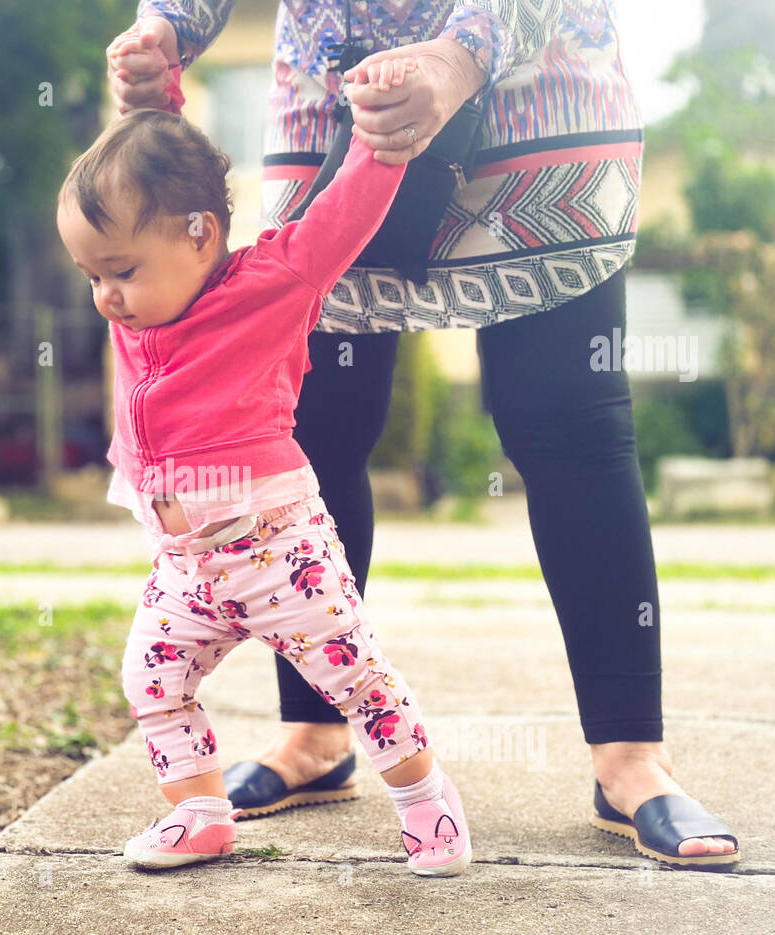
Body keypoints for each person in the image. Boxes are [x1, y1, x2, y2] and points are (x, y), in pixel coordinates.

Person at [105, 1, 740, 869]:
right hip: (337, 113)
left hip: (534, 100)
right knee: (312, 430)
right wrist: (169, 29)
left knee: (570, 427)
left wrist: (462, 55)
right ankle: (314, 736)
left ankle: (631, 759)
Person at [56, 57, 474, 874]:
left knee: (357, 682)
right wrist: (159, 102)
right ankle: (202, 814)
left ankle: (427, 806)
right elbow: (151, 168)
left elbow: (340, 220)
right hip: (186, 565)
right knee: (151, 678)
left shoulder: (272, 283)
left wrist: (379, 143)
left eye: (121, 271)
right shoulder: (141, 305)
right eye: (91, 276)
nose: (106, 295)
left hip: (280, 553)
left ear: (199, 235)